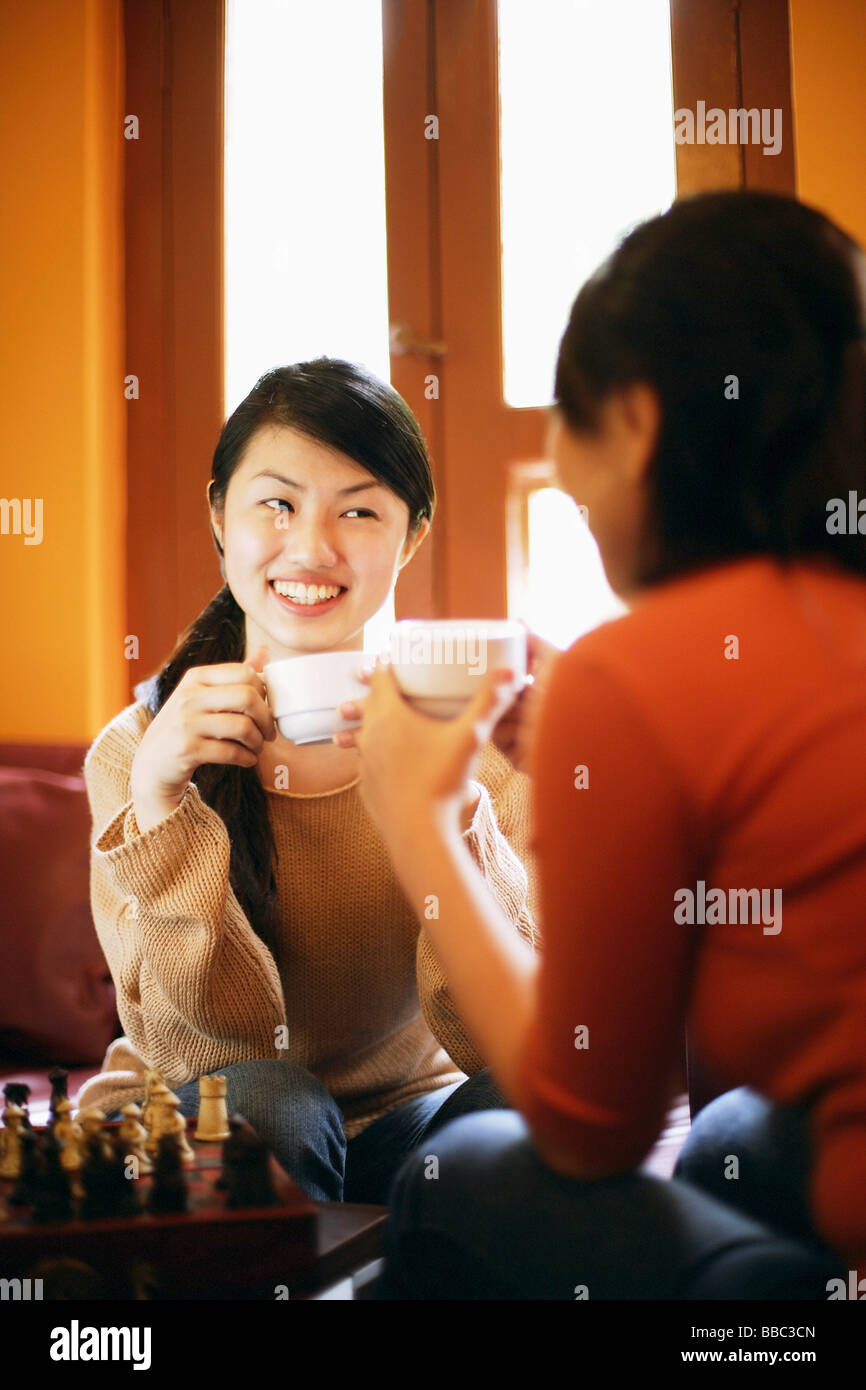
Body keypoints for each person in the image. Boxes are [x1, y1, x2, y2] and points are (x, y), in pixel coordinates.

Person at [334, 191, 866, 1297]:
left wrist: (415, 822)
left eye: (563, 423)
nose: (561, 471)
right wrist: (602, 763)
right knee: (735, 1128)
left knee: (459, 1165)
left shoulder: (644, 676)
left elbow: (593, 1124)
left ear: (630, 419)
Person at [77, 359, 541, 1204]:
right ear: (220, 515)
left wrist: (453, 810)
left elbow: (508, 1040)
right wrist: (160, 805)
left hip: (410, 1125)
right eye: (277, 504)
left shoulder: (473, 735)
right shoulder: (137, 751)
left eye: (359, 510)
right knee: (271, 1100)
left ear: (412, 536)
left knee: (528, 1102)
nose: (313, 547)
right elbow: (200, 1059)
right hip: (212, 1113)